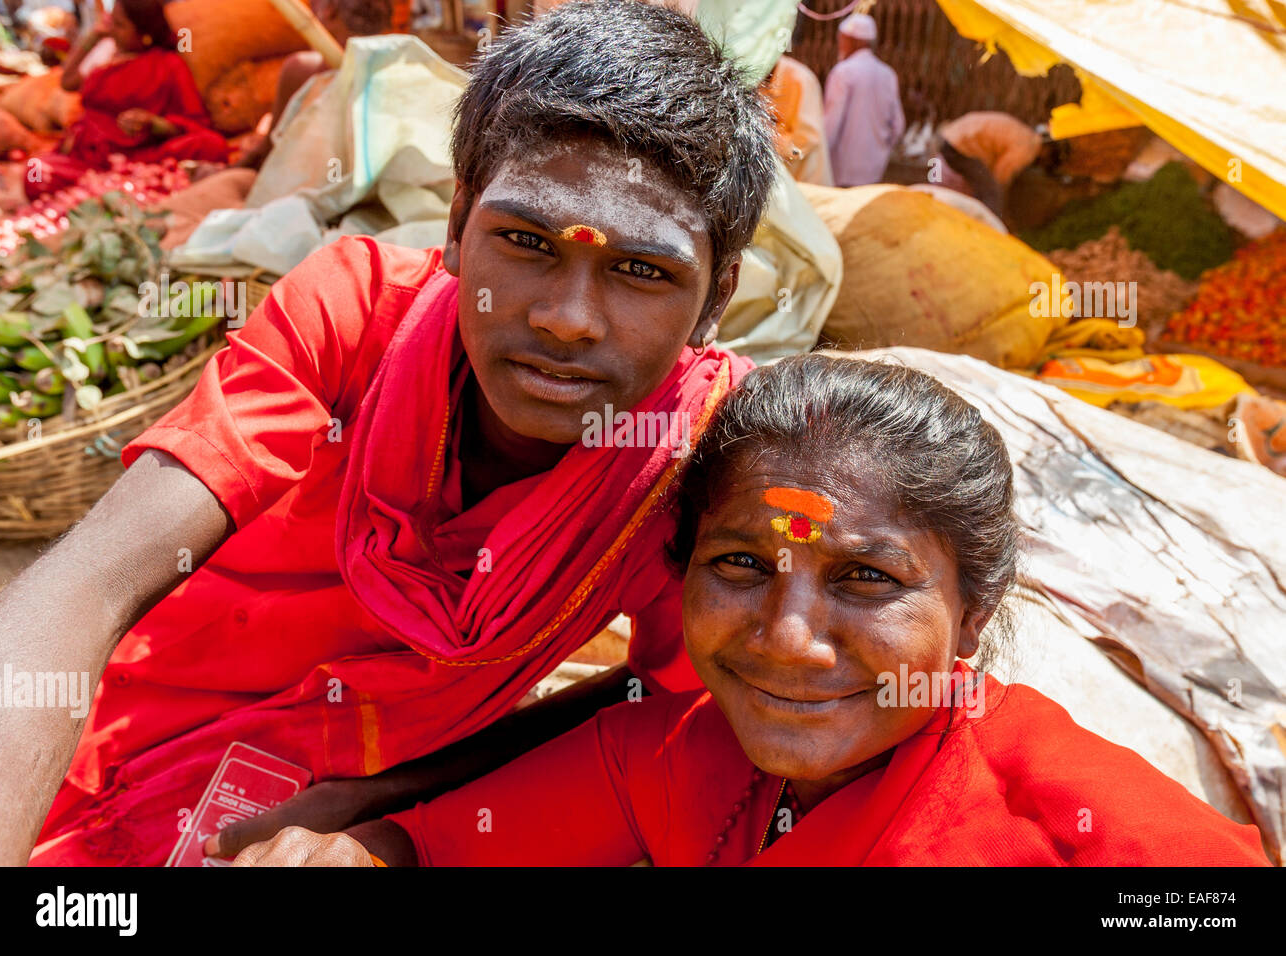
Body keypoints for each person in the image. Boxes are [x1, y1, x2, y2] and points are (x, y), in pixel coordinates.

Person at [0, 0, 775, 867]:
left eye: (640, 270)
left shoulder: (695, 459)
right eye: (524, 241)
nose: (566, 319)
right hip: (119, 721)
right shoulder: (356, 317)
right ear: (454, 225)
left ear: (717, 298)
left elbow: (666, 699)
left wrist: (382, 810)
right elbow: (88, 584)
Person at [233, 355, 1271, 866]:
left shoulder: (1100, 832)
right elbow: (429, 844)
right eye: (741, 562)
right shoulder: (683, 757)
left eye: (868, 578)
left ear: (973, 610)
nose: (786, 636)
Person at [23, 0, 230, 199]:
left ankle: (114, 188)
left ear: (143, 33)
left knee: (212, 145)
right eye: (111, 21)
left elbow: (197, 123)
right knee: (35, 171)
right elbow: (68, 82)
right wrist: (93, 37)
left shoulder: (168, 64)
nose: (111, 29)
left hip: (146, 156)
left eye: (120, 25)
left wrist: (155, 124)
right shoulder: (107, 53)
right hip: (90, 161)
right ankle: (122, 188)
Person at [233, 0, 395, 171]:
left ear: (329, 10)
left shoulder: (302, 69)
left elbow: (268, 153)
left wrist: (224, 170)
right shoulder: (403, 65)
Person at [822, 13, 904, 188]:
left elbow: (831, 125)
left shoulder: (843, 72)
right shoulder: (888, 74)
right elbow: (898, 126)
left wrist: (819, 159)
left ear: (853, 41)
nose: (840, 45)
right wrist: (881, 150)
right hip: (874, 171)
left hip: (842, 172)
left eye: (842, 40)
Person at [935, 111, 1049, 218]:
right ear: (1046, 150)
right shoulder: (1028, 148)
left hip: (953, 137)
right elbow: (1001, 173)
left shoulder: (1025, 133)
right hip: (960, 146)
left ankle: (970, 220)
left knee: (984, 188)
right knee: (992, 193)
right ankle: (986, 229)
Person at [760, 53, 832, 187]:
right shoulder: (755, 79)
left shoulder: (800, 79)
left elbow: (805, 139)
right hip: (779, 184)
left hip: (806, 182)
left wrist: (764, 141)